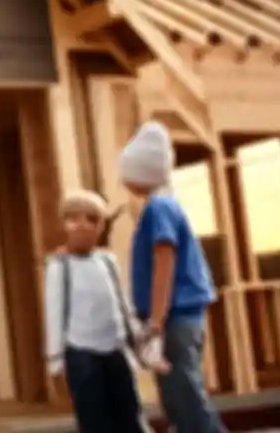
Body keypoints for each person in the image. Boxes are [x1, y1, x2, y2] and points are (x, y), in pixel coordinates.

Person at [119, 121, 225, 433]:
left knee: (185, 395)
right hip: (176, 317)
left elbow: (164, 260)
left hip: (175, 317)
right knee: (176, 398)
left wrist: (156, 318)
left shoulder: (159, 208)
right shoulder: (161, 206)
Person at [43, 190, 153, 433]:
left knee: (130, 415)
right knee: (94, 419)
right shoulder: (59, 267)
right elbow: (55, 313)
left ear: (101, 226)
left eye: (91, 219)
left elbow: (122, 303)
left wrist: (137, 338)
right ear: (64, 225)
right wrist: (55, 360)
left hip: (115, 348)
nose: (82, 226)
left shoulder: (107, 262)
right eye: (73, 219)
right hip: (82, 352)